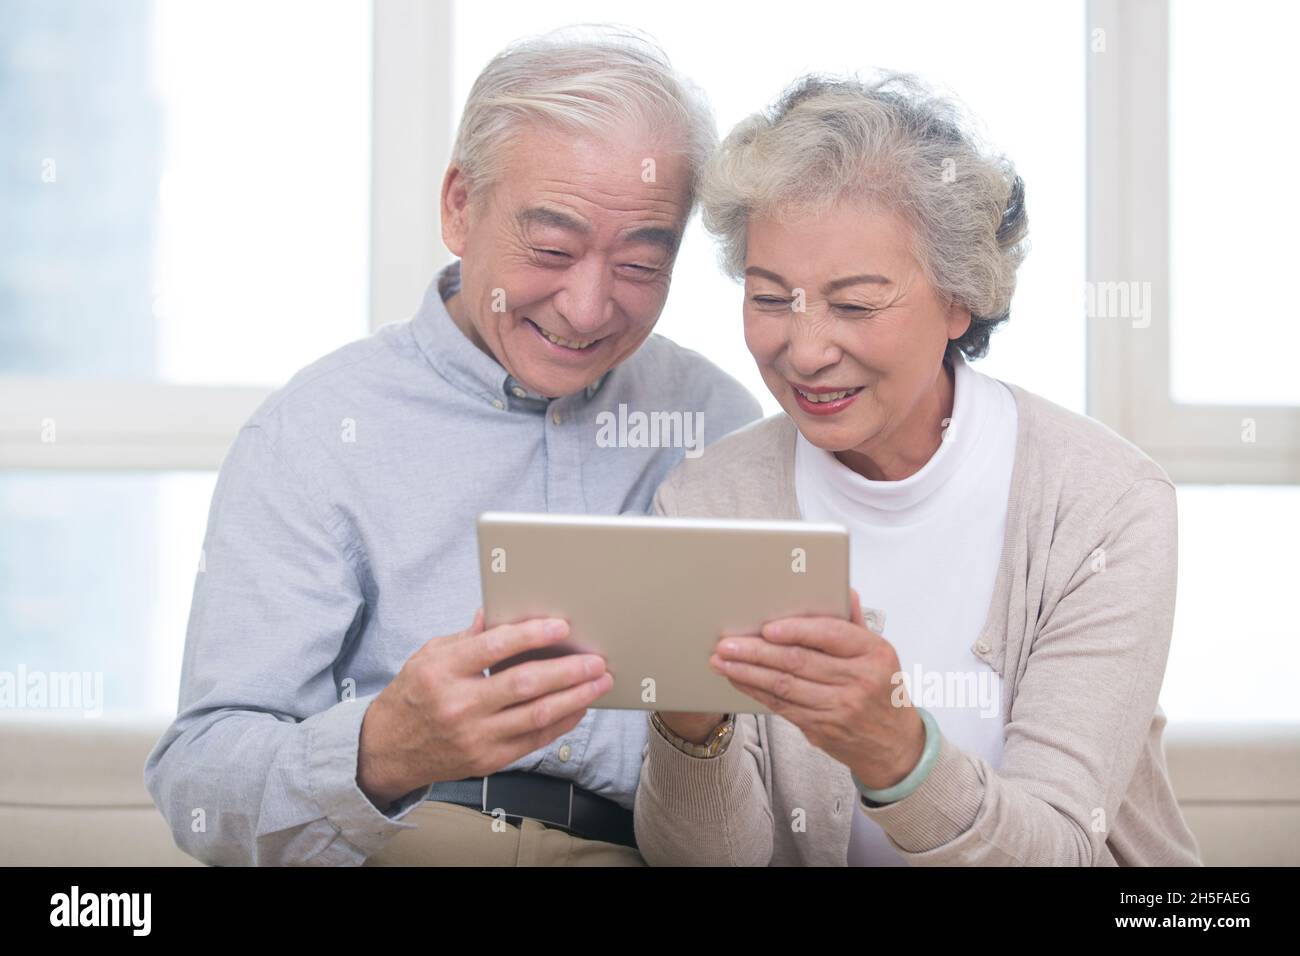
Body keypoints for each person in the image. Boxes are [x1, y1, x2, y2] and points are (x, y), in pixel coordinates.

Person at [144, 26, 761, 867]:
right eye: (551, 250)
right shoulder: (317, 431)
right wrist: (387, 747)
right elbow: (199, 786)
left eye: (640, 266)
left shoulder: (718, 422)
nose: (587, 308)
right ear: (458, 207)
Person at [633, 74, 1202, 866]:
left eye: (856, 305)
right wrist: (690, 725)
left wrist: (897, 752)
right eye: (770, 298)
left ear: (960, 298)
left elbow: (1062, 848)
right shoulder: (708, 501)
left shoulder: (1102, 503)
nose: (803, 351)